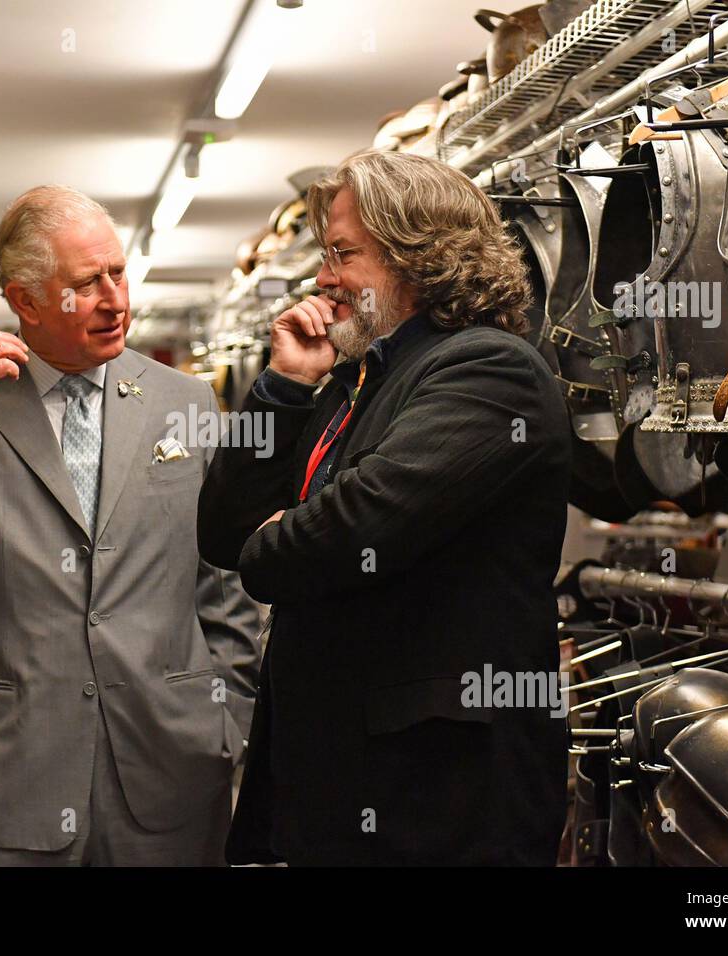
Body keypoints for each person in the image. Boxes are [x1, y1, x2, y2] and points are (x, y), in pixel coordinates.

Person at [0, 185, 262, 865]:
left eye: (117, 272)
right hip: (7, 787)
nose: (115, 299)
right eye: (86, 283)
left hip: (173, 774)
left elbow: (227, 578)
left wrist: (228, 719)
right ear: (25, 302)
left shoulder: (184, 402)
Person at [197, 150, 572, 865]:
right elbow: (223, 534)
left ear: (418, 256)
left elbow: (345, 532)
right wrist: (281, 387)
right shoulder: (357, 379)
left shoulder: (489, 370)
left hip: (437, 800)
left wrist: (285, 535)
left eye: (343, 254)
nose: (323, 278)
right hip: (342, 785)